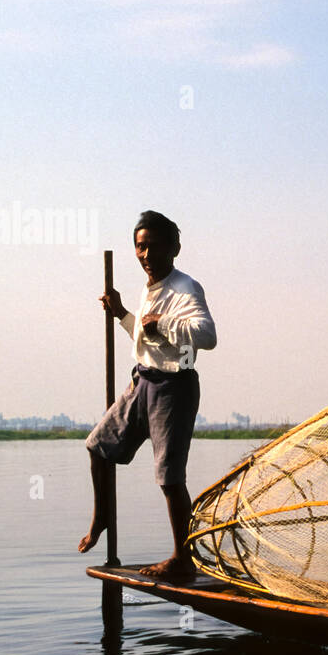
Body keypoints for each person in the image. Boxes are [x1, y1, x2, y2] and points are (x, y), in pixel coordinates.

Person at [77, 210, 216, 582]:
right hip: (142, 382)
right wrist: (123, 314)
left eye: (154, 246)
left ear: (175, 248)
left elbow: (207, 336)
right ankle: (104, 516)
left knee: (170, 477)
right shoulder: (148, 288)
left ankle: (182, 558)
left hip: (174, 387)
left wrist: (164, 322)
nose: (146, 255)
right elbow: (147, 341)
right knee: (97, 446)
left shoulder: (186, 287)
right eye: (140, 247)